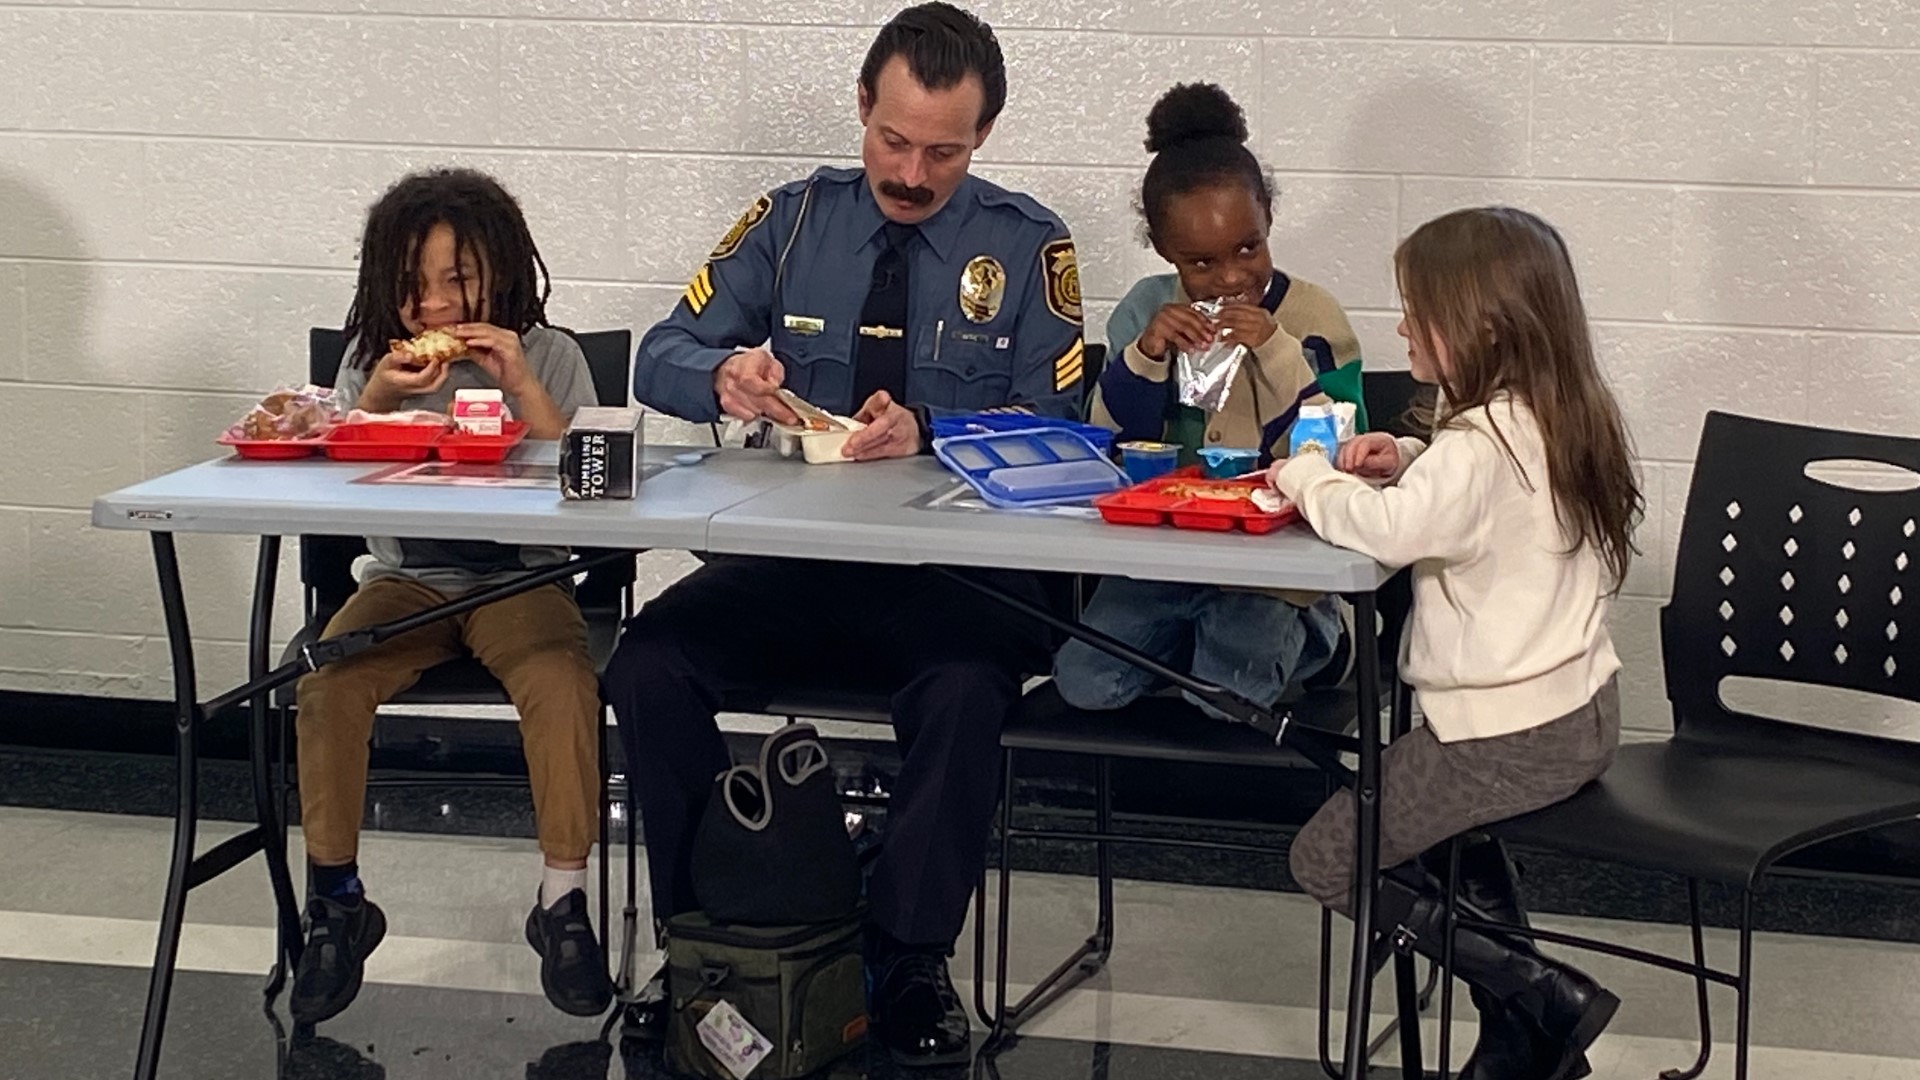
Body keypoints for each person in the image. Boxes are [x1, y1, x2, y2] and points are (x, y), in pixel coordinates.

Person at [602, 3, 1084, 1066]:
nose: (912, 173)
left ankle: (907, 957)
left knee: (965, 691)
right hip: (797, 568)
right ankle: (702, 943)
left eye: (943, 151)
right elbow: (657, 351)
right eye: (893, 139)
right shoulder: (790, 221)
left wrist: (938, 428)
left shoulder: (1027, 242)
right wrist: (721, 373)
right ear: (861, 107)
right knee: (647, 665)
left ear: (983, 138)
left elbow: (1063, 425)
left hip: (954, 582)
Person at [1272, 206, 1642, 1080]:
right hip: (1580, 715)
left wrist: (1305, 471)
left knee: (1323, 860)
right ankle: (1521, 1039)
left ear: (1478, 324)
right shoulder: (1558, 412)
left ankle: (1546, 996)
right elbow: (1465, 500)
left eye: (1414, 308)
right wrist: (1406, 454)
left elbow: (1382, 535)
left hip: (1501, 739)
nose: (1401, 325)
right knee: (1451, 844)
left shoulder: (1476, 449)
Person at [290, 168, 613, 1025]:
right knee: (326, 682)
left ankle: (562, 901)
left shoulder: (551, 356)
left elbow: (590, 486)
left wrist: (523, 389)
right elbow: (333, 501)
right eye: (413, 284)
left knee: (561, 683)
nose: (435, 305)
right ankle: (337, 899)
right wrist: (372, 407)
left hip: (521, 577)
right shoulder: (373, 361)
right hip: (404, 581)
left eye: (457, 280)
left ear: (500, 272)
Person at [1054, 83, 1356, 720]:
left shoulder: (1314, 316)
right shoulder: (1145, 308)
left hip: (1275, 574)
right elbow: (1108, 441)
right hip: (1163, 558)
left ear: (1268, 216)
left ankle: (1322, 637)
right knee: (1083, 682)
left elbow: (1332, 451)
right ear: (1165, 251)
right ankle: (1194, 638)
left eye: (1248, 248)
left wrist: (1276, 351)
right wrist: (1145, 356)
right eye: (1200, 262)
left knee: (1225, 700)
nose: (1230, 278)